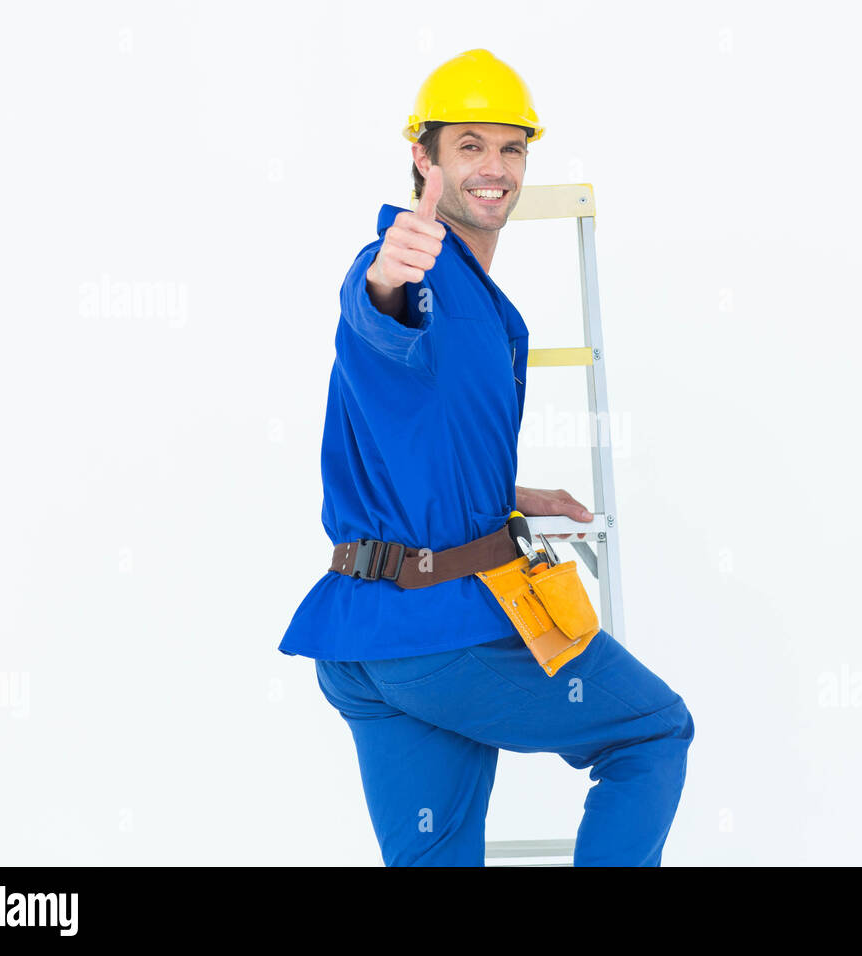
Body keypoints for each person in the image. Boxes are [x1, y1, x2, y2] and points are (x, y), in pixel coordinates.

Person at [277, 49, 693, 866]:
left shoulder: (474, 294)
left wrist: (507, 495)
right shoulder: (410, 268)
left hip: (366, 637)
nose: (494, 167)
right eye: (468, 146)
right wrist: (385, 278)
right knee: (650, 731)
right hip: (445, 631)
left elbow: (416, 433)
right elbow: (378, 313)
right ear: (421, 157)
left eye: (511, 147)